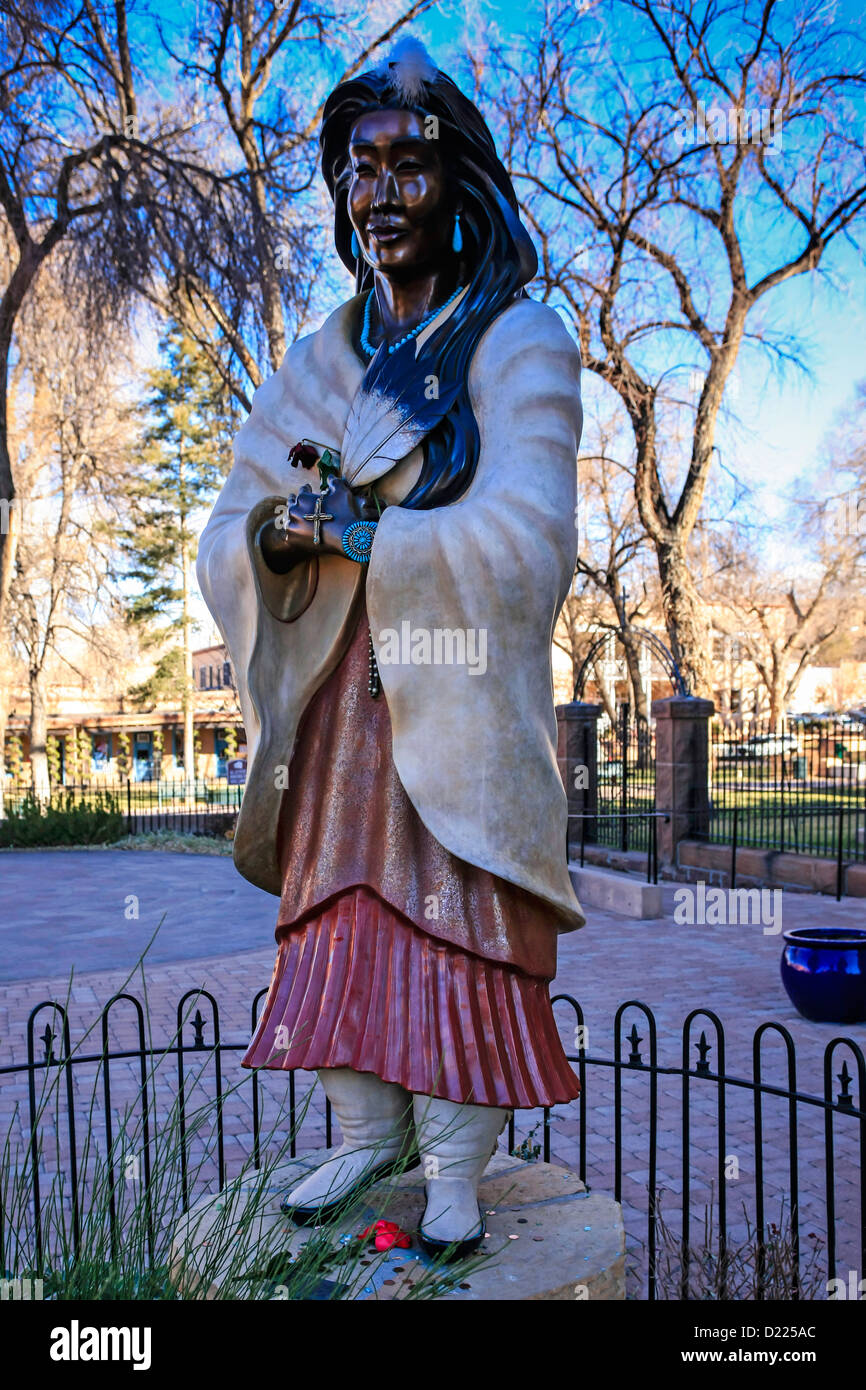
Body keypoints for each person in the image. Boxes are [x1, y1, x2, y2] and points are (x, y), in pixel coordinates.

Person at [197, 36, 585, 1258]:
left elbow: (529, 538)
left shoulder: (516, 343)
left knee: (450, 925)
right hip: (336, 718)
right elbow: (226, 530)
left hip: (452, 717)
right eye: (359, 170)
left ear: (457, 181)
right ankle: (365, 1137)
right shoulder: (317, 361)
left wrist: (374, 532)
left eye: (407, 167)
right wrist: (275, 532)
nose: (379, 194)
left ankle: (458, 1169)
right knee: (339, 925)